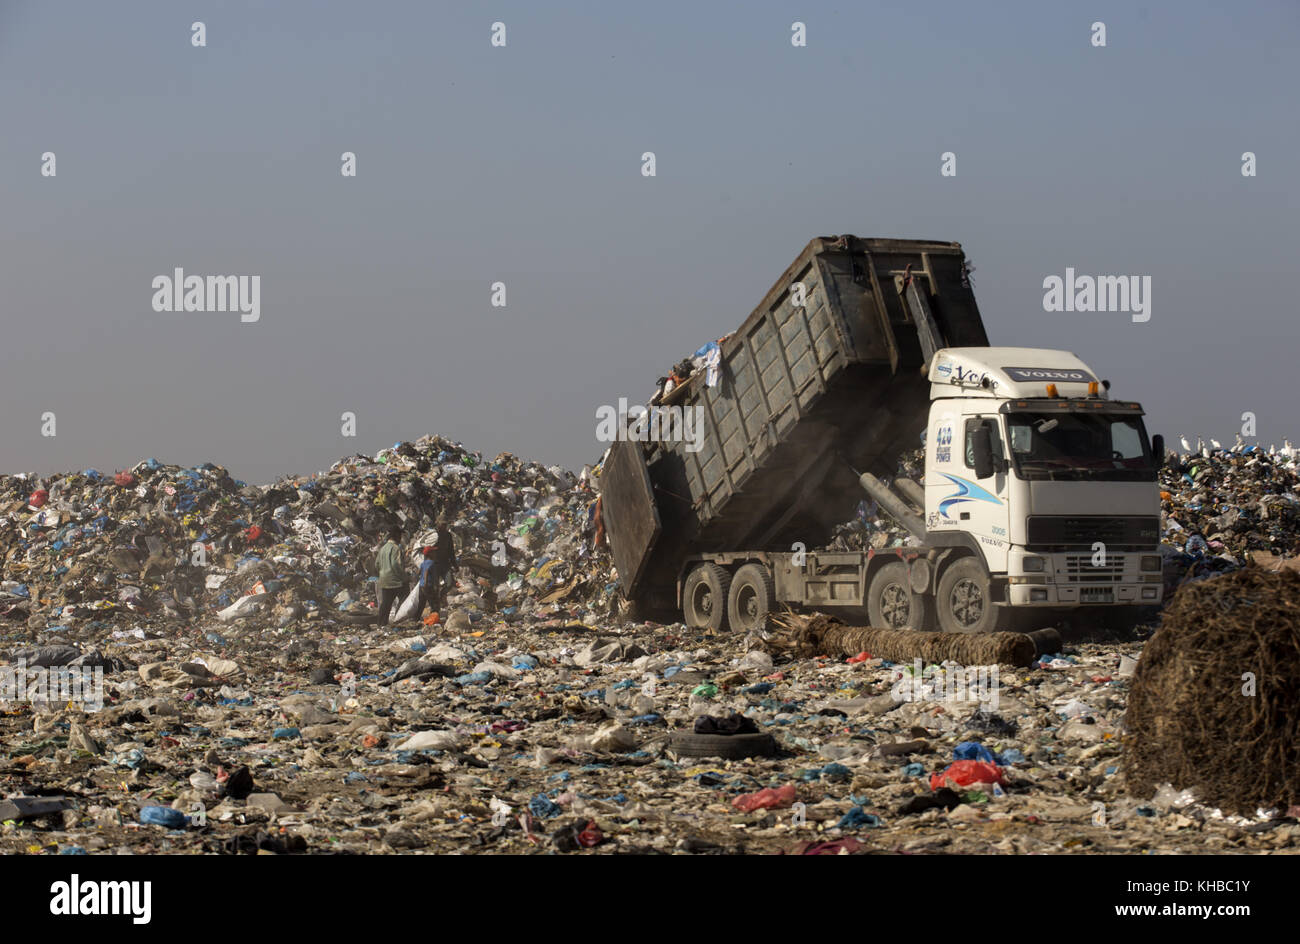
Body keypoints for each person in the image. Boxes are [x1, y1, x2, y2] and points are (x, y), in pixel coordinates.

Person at [375, 526, 408, 623]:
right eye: (400, 536)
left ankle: (381, 623)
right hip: (395, 580)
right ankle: (399, 619)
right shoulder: (396, 548)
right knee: (404, 597)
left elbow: (377, 564)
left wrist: (382, 573)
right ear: (396, 535)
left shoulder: (382, 548)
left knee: (386, 603)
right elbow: (395, 564)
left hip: (384, 580)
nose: (401, 538)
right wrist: (404, 577)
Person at [417, 545, 438, 617]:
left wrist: (422, 581)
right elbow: (426, 572)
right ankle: (434, 617)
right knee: (434, 604)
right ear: (430, 554)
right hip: (428, 586)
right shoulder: (432, 563)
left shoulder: (423, 563)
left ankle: (416, 618)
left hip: (421, 585)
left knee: (421, 604)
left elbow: (418, 572)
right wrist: (427, 583)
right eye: (433, 552)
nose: (435, 553)